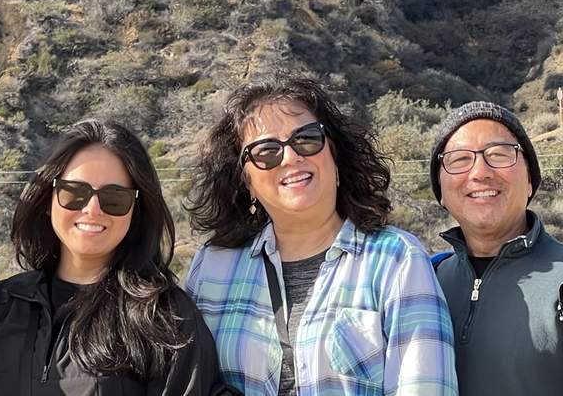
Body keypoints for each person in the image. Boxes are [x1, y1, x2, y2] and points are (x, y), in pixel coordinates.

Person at [185, 78, 457, 396]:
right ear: (246, 180)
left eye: (307, 138)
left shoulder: (395, 260)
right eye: (266, 151)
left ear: (335, 155)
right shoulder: (212, 267)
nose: (290, 158)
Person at [0, 119, 224, 396]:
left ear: (136, 211)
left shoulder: (166, 319)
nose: (92, 209)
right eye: (74, 192)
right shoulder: (1, 304)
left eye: (115, 198)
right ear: (48, 199)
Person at [429, 101, 563, 396]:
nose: (480, 172)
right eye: (459, 159)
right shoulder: (425, 281)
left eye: (499, 154)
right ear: (440, 190)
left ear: (530, 180)